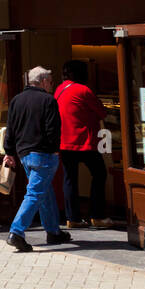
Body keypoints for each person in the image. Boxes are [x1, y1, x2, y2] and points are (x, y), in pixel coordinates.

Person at [3, 66, 71, 251]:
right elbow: (52, 129)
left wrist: (9, 151)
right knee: (35, 194)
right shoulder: (48, 100)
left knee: (44, 191)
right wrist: (54, 150)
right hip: (43, 154)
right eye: (50, 81)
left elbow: (11, 128)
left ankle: (53, 232)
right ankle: (16, 232)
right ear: (42, 81)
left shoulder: (16, 100)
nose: (51, 85)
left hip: (24, 154)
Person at [55, 60, 111, 228]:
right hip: (84, 143)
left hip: (64, 142)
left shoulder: (60, 89)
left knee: (70, 179)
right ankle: (97, 216)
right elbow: (102, 112)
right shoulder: (83, 90)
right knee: (100, 174)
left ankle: (72, 218)